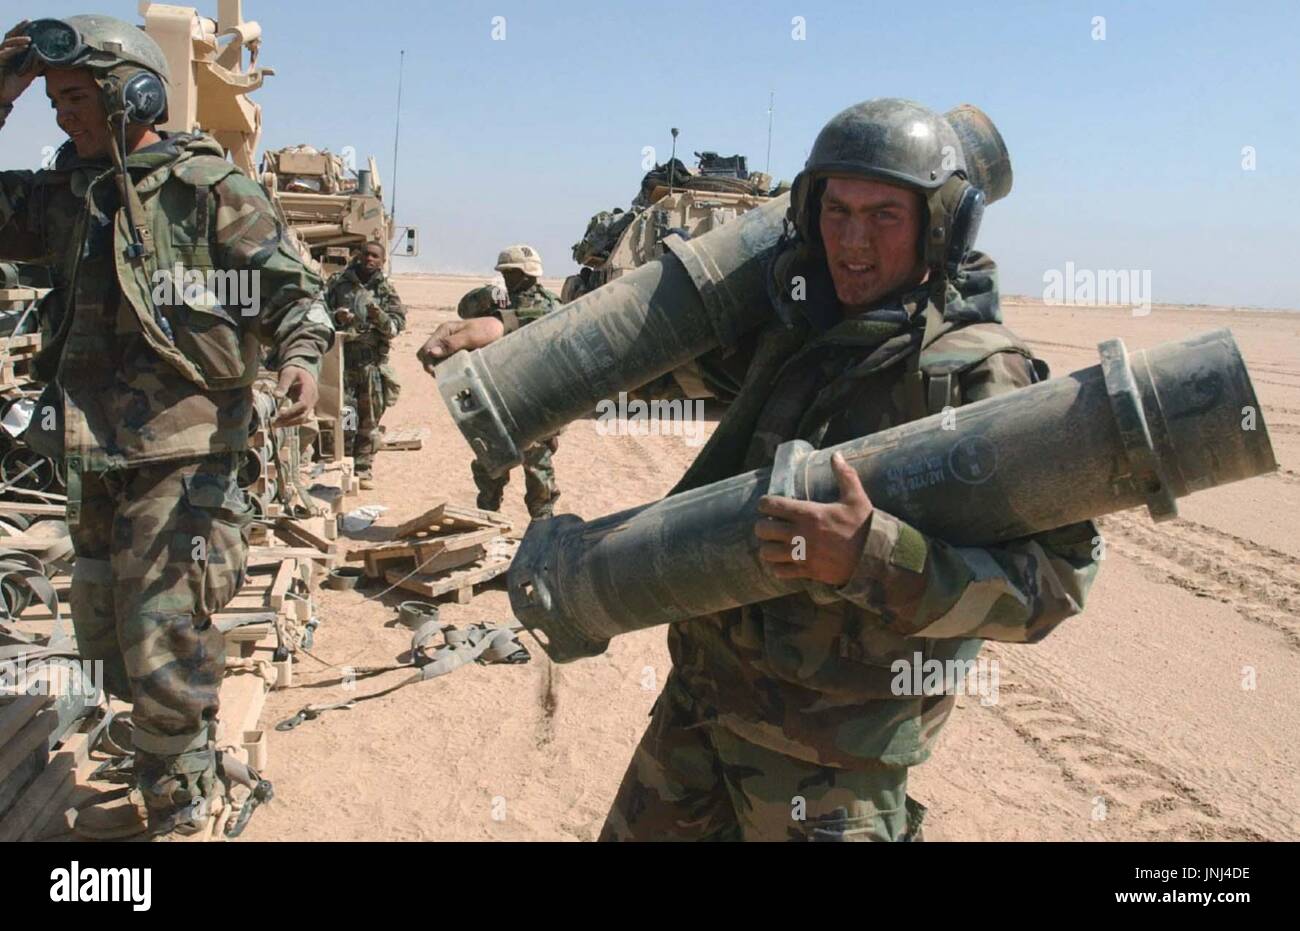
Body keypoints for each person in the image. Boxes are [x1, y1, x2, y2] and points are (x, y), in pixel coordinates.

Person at [0, 15, 334, 838]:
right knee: (105, 629)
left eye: (75, 96)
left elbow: (295, 292)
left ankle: (177, 804)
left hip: (187, 453)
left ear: (132, 94)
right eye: (50, 100)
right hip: (96, 452)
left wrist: (297, 359)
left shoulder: (206, 188)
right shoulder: (65, 194)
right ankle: (166, 758)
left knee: (162, 636)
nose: (59, 115)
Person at [436, 244, 562, 519]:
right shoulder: (499, 300)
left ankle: (530, 524)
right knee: (500, 465)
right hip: (505, 393)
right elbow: (464, 308)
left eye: (510, 273)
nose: (506, 278)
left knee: (532, 469)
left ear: (525, 275)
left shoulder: (549, 306)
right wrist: (489, 294)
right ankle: (495, 519)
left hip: (528, 396)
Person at [325, 240, 405, 488]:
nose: (370, 259)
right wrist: (335, 317)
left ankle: (363, 468)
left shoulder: (386, 291)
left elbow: (394, 327)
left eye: (376, 257)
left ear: (382, 261)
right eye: (367, 254)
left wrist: (378, 316)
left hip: (371, 365)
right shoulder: (338, 284)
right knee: (345, 414)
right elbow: (317, 312)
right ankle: (344, 462)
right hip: (342, 361)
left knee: (369, 418)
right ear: (359, 255)